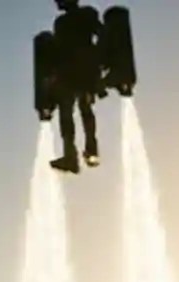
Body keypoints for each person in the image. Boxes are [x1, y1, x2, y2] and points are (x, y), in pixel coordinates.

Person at [49, 0, 102, 174]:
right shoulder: (73, 18)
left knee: (75, 111)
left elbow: (101, 34)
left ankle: (79, 153)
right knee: (78, 110)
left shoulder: (73, 19)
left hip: (77, 70)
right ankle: (81, 153)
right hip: (77, 70)